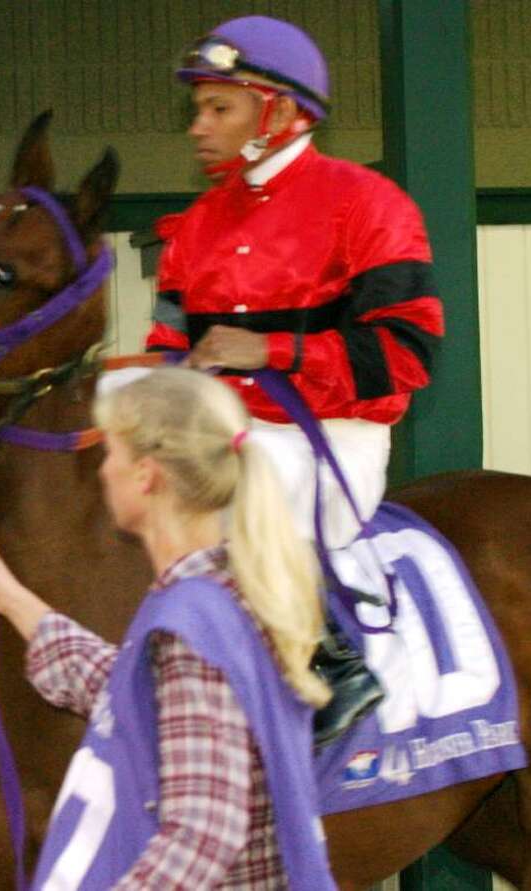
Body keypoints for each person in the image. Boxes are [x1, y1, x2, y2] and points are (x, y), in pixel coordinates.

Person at [146, 15, 444, 741]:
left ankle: (334, 663)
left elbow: (406, 355)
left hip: (329, 436)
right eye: (198, 110)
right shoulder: (193, 228)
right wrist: (168, 381)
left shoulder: (371, 204)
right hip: (225, 432)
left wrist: (271, 351)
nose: (198, 126)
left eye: (219, 108)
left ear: (278, 110)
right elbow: (163, 345)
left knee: (245, 482)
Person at [0, 367, 337, 890]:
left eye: (111, 453)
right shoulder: (218, 595)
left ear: (146, 475)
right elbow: (124, 685)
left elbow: (203, 834)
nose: (103, 470)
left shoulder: (193, 626)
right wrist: (7, 592)